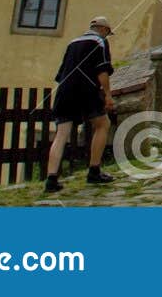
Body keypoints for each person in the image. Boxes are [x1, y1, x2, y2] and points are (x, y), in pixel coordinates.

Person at [43, 15, 117, 194]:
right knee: (102, 124)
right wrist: (107, 95)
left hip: (65, 90)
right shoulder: (99, 42)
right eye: (108, 33)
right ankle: (94, 171)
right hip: (87, 89)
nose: (107, 36)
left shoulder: (72, 43)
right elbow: (102, 71)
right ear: (104, 30)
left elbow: (61, 73)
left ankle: (51, 179)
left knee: (61, 134)